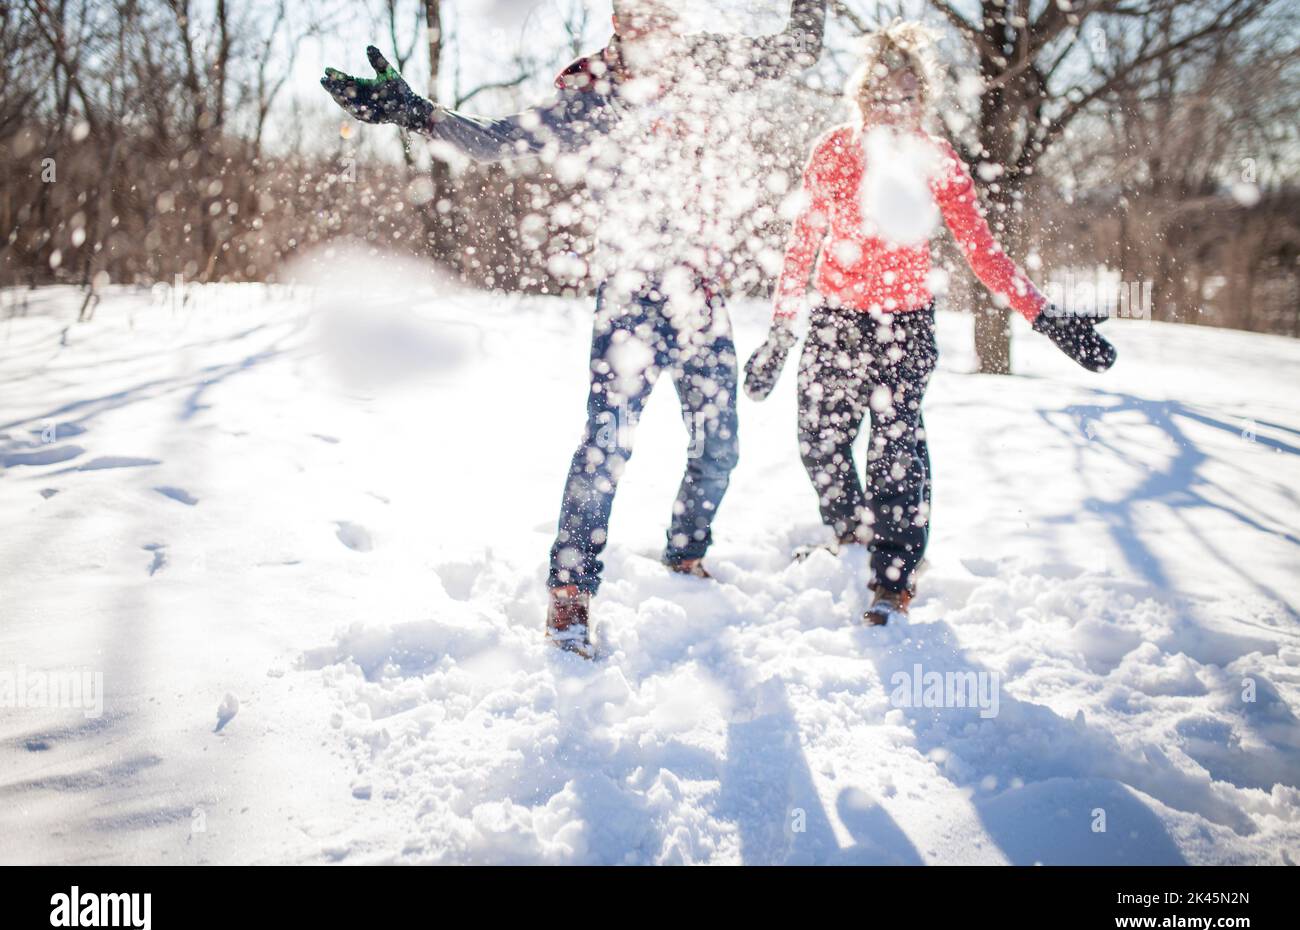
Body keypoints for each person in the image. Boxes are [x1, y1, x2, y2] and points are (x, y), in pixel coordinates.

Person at [322, 0, 828, 656]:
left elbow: (796, 50)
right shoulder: (594, 100)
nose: (653, 26)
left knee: (720, 447)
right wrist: (411, 111)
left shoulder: (707, 69)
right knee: (606, 446)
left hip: (700, 297)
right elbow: (498, 142)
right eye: (636, 16)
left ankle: (686, 553)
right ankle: (570, 590)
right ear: (620, 24)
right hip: (628, 299)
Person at [742, 20, 1116, 626]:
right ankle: (854, 535)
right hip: (837, 321)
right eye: (883, 94)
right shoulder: (834, 152)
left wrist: (1043, 315)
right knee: (819, 442)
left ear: (924, 101)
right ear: (861, 97)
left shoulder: (937, 160)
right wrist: (782, 331)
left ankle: (893, 577)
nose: (895, 106)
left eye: (909, 95)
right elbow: (801, 242)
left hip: (905, 325)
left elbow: (983, 252)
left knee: (896, 449)